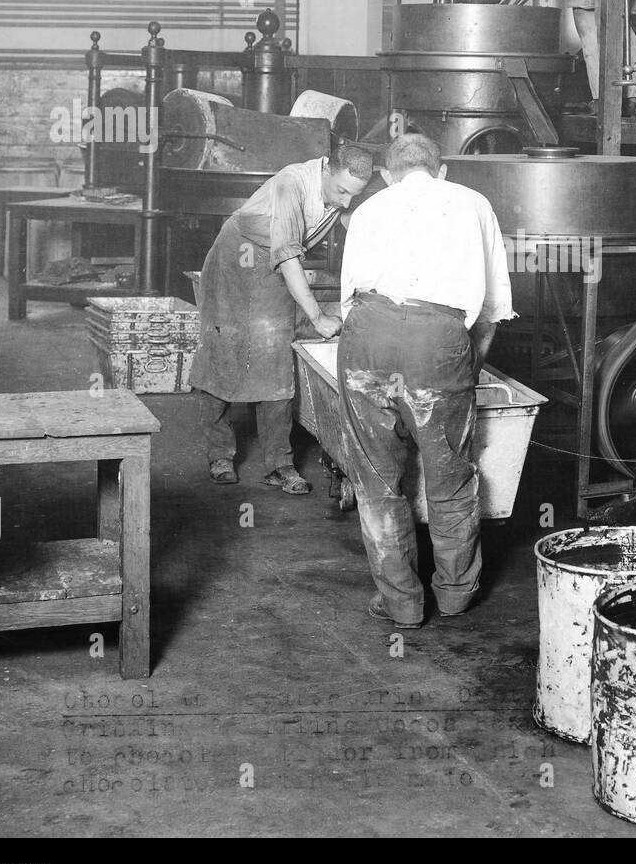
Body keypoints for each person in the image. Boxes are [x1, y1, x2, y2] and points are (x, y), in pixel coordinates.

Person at [337, 133, 514, 629]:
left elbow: (348, 300)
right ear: (441, 171)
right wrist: (464, 371)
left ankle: (402, 605)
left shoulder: (370, 208)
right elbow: (494, 310)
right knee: (451, 475)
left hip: (368, 333)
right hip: (439, 339)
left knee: (376, 480)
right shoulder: (474, 202)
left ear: (389, 174)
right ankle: (455, 594)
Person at [190, 143, 373, 493]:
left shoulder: (341, 190)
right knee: (223, 352)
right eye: (342, 191)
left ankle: (279, 464)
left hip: (275, 264)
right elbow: (289, 257)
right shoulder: (293, 183)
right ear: (326, 169)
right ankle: (219, 454)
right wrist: (318, 316)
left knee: (276, 359)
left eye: (354, 194)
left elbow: (356, 223)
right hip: (236, 258)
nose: (347, 201)